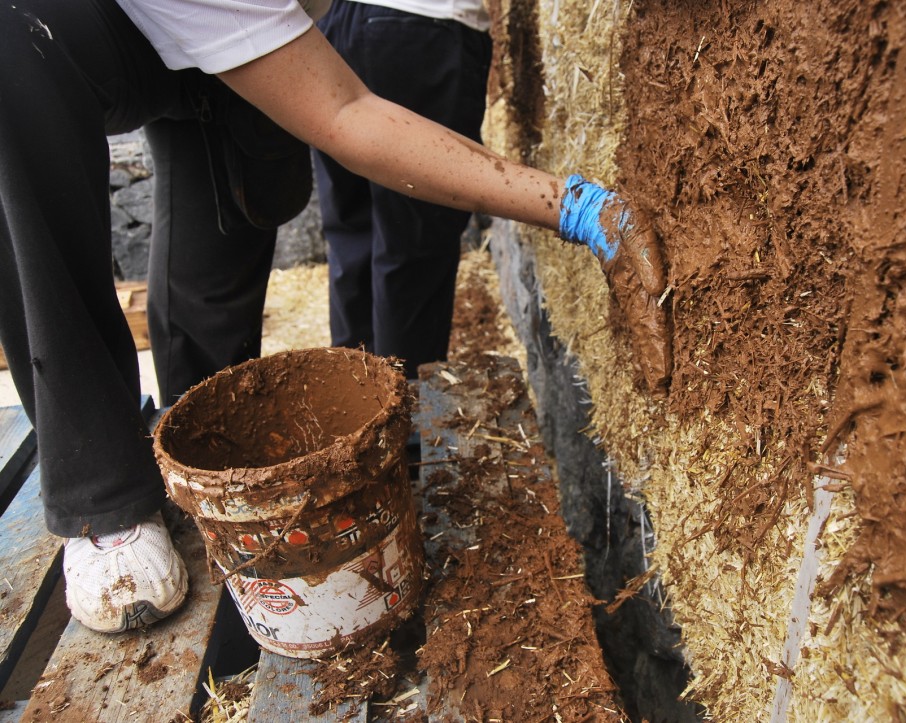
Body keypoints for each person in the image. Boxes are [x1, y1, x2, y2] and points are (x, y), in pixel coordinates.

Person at [0, 0, 665, 634]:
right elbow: (348, 118)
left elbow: (343, 105)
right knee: (14, 64)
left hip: (221, 54)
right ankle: (104, 500)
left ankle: (207, 475)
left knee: (219, 278)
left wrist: (572, 206)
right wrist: (567, 206)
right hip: (60, 37)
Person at [313, 0, 492, 379]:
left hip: (331, 24)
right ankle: (402, 425)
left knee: (352, 235)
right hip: (421, 25)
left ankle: (355, 412)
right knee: (415, 241)